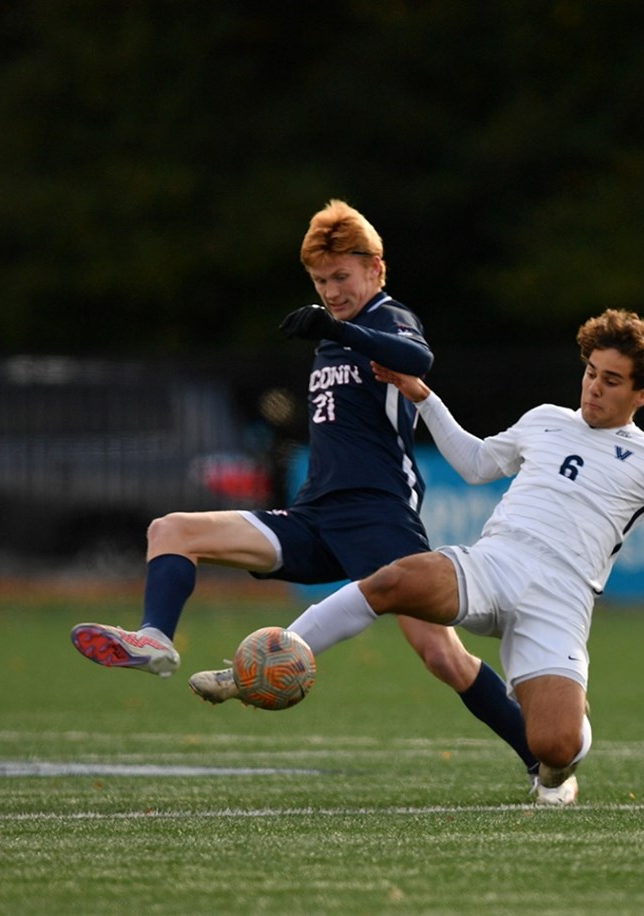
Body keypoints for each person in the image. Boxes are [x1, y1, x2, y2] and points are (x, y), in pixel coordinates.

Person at [188, 309, 644, 804]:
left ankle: (558, 761)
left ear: (643, 394)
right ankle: (261, 664)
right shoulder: (545, 420)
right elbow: (477, 462)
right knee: (396, 578)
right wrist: (422, 396)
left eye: (612, 380)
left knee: (554, 745)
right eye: (591, 371)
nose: (594, 386)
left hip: (561, 600)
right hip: (495, 563)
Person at [69, 199, 549, 796]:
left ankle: (544, 761)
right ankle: (156, 641)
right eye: (321, 282)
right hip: (314, 515)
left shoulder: (387, 317)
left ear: (376, 268)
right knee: (171, 529)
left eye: (341, 277)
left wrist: (338, 327)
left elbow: (418, 359)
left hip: (379, 518)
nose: (331, 292)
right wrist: (333, 331)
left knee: (441, 656)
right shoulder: (331, 337)